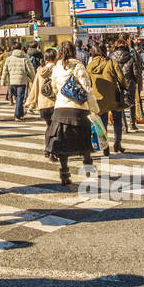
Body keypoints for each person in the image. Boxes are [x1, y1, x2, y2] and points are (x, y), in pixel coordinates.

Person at [44, 42, 95, 185]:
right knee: (84, 142)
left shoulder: (57, 68)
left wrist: (60, 97)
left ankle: (65, 173)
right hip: (79, 109)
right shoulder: (78, 66)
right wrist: (94, 106)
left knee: (62, 143)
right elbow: (87, 87)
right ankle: (88, 167)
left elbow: (53, 87)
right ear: (74, 52)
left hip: (60, 109)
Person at [87, 43, 128, 154]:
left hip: (98, 99)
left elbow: (87, 83)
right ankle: (117, 143)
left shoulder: (89, 66)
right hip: (114, 97)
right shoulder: (111, 62)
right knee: (117, 121)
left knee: (102, 123)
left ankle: (105, 147)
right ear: (105, 51)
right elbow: (121, 78)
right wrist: (125, 87)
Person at [2, 44, 35, 120]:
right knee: (20, 98)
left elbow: (5, 70)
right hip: (22, 80)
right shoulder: (25, 58)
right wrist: (33, 78)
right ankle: (17, 115)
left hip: (12, 81)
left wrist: (3, 81)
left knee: (18, 98)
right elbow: (30, 70)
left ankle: (21, 114)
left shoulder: (9, 59)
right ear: (21, 49)